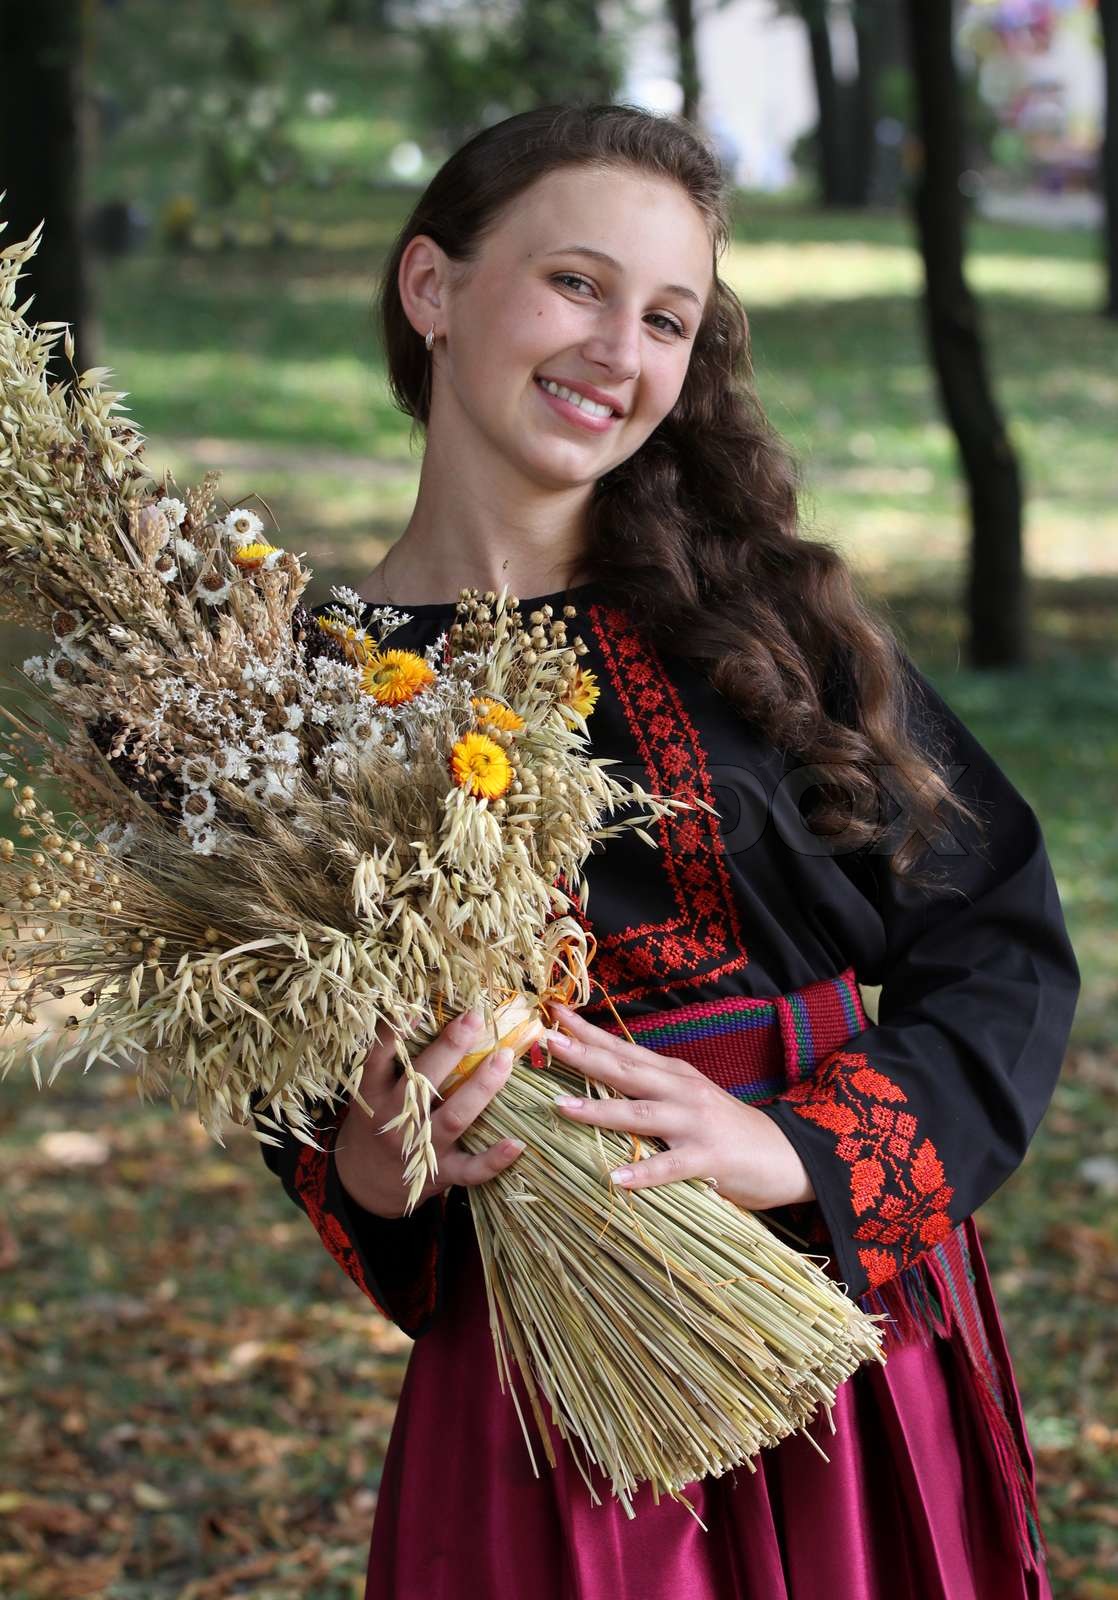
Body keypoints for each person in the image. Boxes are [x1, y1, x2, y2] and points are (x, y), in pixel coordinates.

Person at [254, 103, 1080, 1599]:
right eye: (574, 283)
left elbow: (999, 943)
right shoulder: (289, 697)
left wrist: (800, 1149)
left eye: (667, 318)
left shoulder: (769, 625)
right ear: (430, 288)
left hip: (838, 1331)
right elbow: (299, 1086)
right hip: (551, 1371)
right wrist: (374, 1166)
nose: (617, 351)